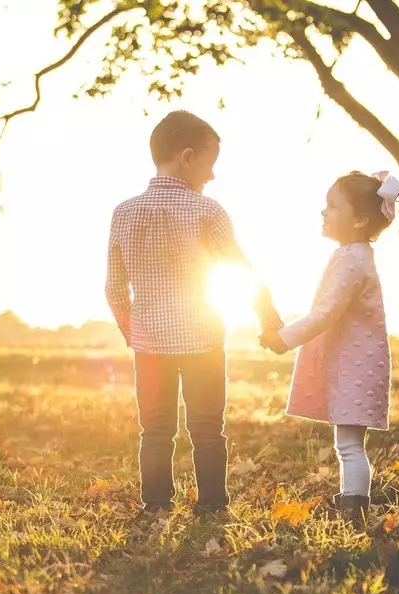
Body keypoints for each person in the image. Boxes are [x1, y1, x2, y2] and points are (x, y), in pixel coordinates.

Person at [105, 110, 282, 516]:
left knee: (155, 427)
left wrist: (132, 331)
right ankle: (212, 505)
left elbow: (114, 286)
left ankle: (155, 504)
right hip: (202, 338)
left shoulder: (123, 212)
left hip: (149, 342)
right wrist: (268, 318)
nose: (213, 175)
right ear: (187, 157)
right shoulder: (208, 211)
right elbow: (241, 271)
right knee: (206, 428)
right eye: (210, 163)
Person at [260, 171, 399, 526]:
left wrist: (284, 338)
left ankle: (354, 511)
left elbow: (326, 313)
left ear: (360, 219)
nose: (324, 212)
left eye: (333, 207)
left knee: (349, 446)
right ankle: (353, 503)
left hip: (355, 367)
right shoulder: (353, 255)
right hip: (353, 364)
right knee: (348, 445)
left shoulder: (351, 260)